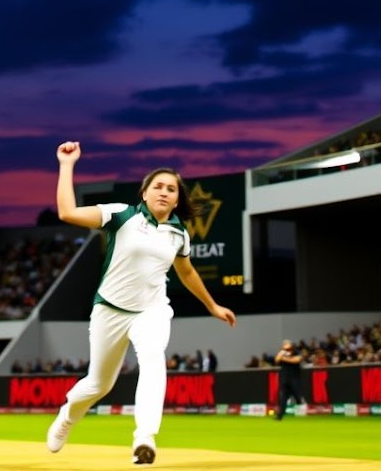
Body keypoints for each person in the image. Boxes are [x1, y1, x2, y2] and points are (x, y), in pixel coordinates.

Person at [44, 141, 237, 466]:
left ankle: (144, 439)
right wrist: (66, 165)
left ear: (178, 198)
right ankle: (66, 419)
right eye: (158, 186)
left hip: (152, 310)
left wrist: (212, 305)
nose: (164, 192)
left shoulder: (179, 234)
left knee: (152, 359)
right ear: (144, 193)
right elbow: (67, 212)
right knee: (98, 384)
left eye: (171, 189)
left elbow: (186, 273)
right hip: (109, 310)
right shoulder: (121, 215)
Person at [273, 339, 306, 420]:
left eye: (286, 344)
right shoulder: (282, 352)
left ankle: (299, 401)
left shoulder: (296, 352)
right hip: (284, 378)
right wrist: (281, 355)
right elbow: (276, 360)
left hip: (294, 378)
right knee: (283, 397)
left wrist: (284, 358)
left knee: (297, 395)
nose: (284, 345)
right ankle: (280, 415)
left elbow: (297, 360)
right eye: (284, 344)